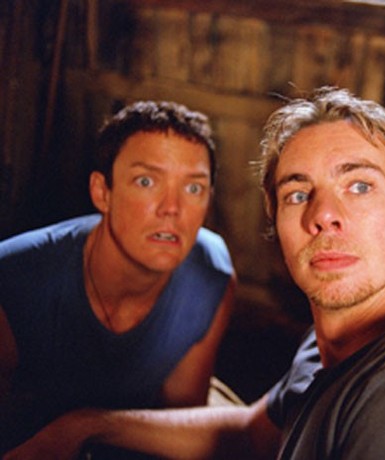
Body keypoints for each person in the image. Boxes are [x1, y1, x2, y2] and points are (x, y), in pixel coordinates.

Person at [4, 87, 385, 460]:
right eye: (298, 194)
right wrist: (87, 425)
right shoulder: (331, 339)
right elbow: (254, 432)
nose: (324, 214)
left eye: (360, 186)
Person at [0, 101, 236, 455]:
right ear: (102, 192)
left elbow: (179, 421)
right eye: (146, 181)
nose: (172, 208)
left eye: (193, 189)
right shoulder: (16, 278)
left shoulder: (210, 275)